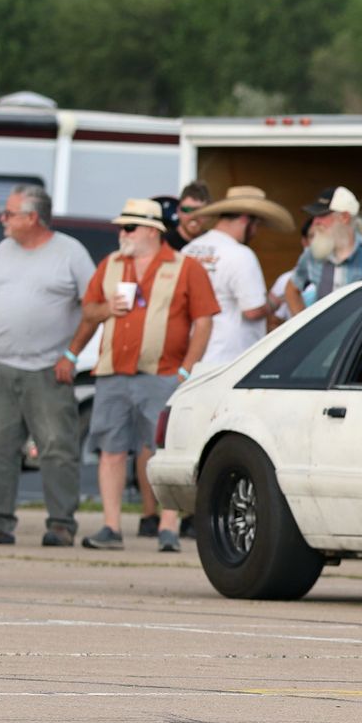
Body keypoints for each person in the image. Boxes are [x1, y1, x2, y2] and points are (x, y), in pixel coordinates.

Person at [66, 198, 218, 552]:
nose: (123, 233)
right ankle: (111, 526)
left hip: (163, 372)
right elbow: (88, 311)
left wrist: (187, 369)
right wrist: (107, 309)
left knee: (163, 451)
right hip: (113, 370)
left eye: (129, 227)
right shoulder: (111, 264)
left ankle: (168, 527)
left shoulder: (185, 266)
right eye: (122, 227)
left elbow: (204, 321)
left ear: (152, 230)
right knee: (111, 449)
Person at [0, 184, 98, 547]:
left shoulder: (70, 253)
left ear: (33, 217)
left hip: (48, 368)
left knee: (57, 447)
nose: (2, 220)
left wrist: (71, 355)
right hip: (0, 365)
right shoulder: (4, 250)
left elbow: (93, 308)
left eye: (9, 214)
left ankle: (61, 525)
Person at [183, 185, 293, 367]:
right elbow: (252, 311)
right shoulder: (240, 254)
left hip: (191, 358)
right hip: (228, 361)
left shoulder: (189, 249)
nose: (255, 232)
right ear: (245, 219)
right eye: (256, 224)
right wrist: (275, 300)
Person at [283, 186, 362, 316]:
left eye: (322, 215)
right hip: (328, 330)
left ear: (345, 217)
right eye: (315, 216)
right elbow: (291, 290)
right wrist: (305, 324)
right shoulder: (312, 254)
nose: (315, 222)